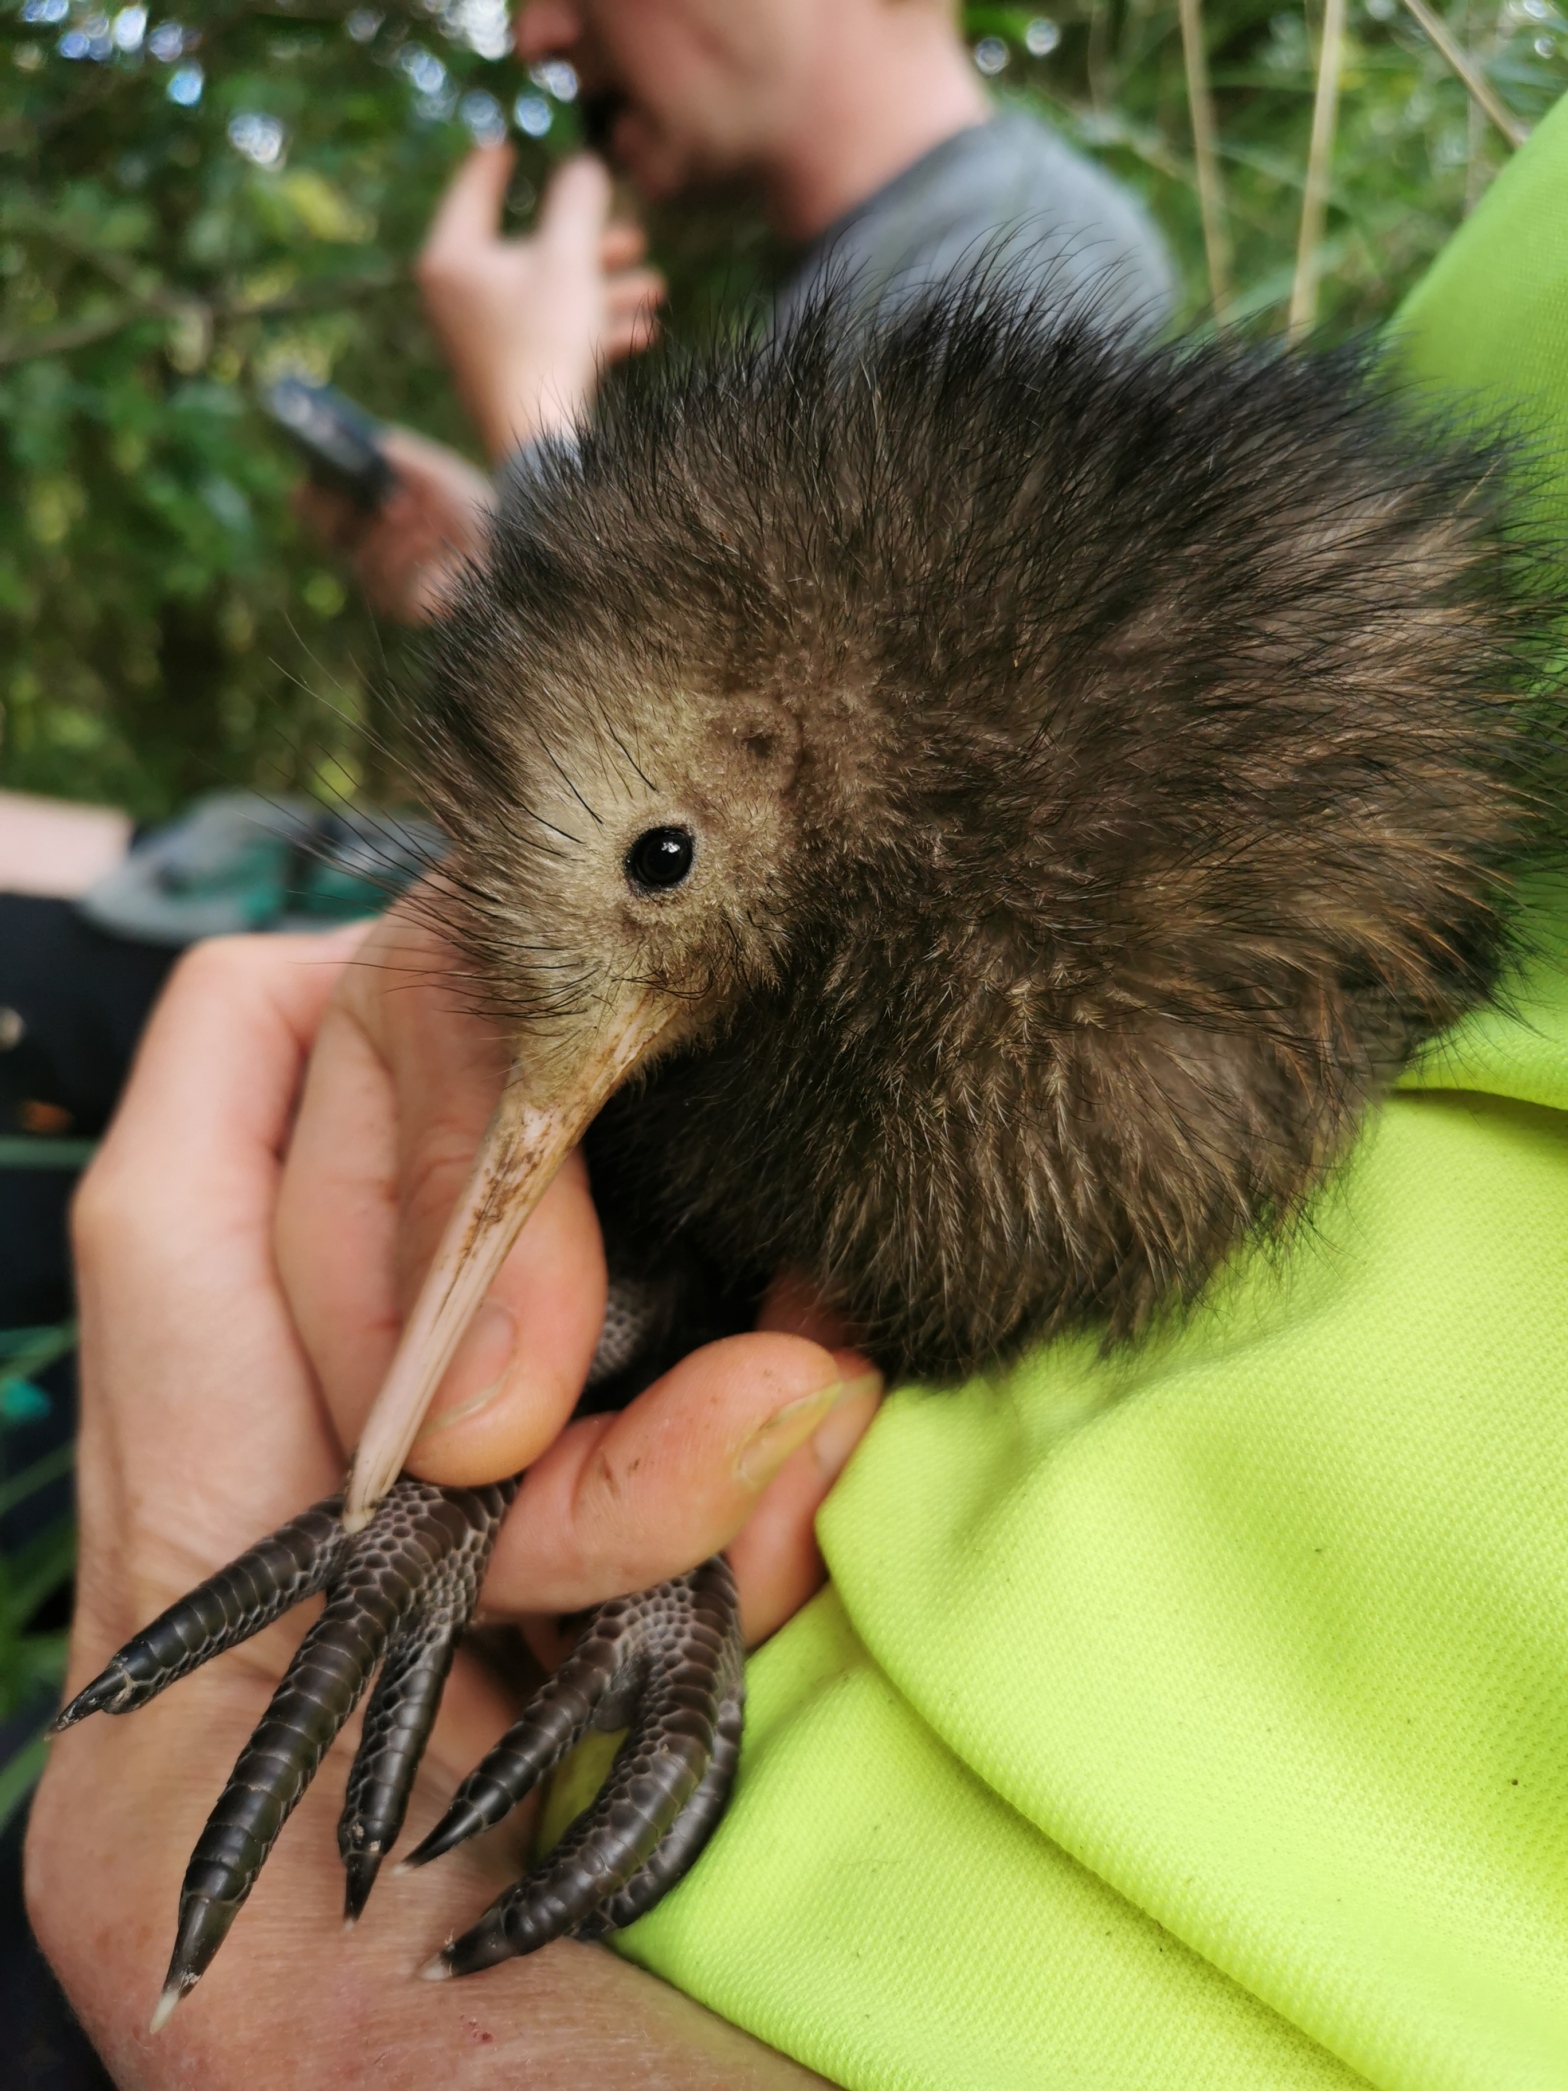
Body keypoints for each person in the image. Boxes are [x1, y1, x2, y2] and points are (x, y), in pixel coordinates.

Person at [305, 0, 1174, 622]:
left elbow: (780, 798)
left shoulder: (1028, 258)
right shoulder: (890, 260)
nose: (536, 35)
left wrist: (534, 412)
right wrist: (507, 545)